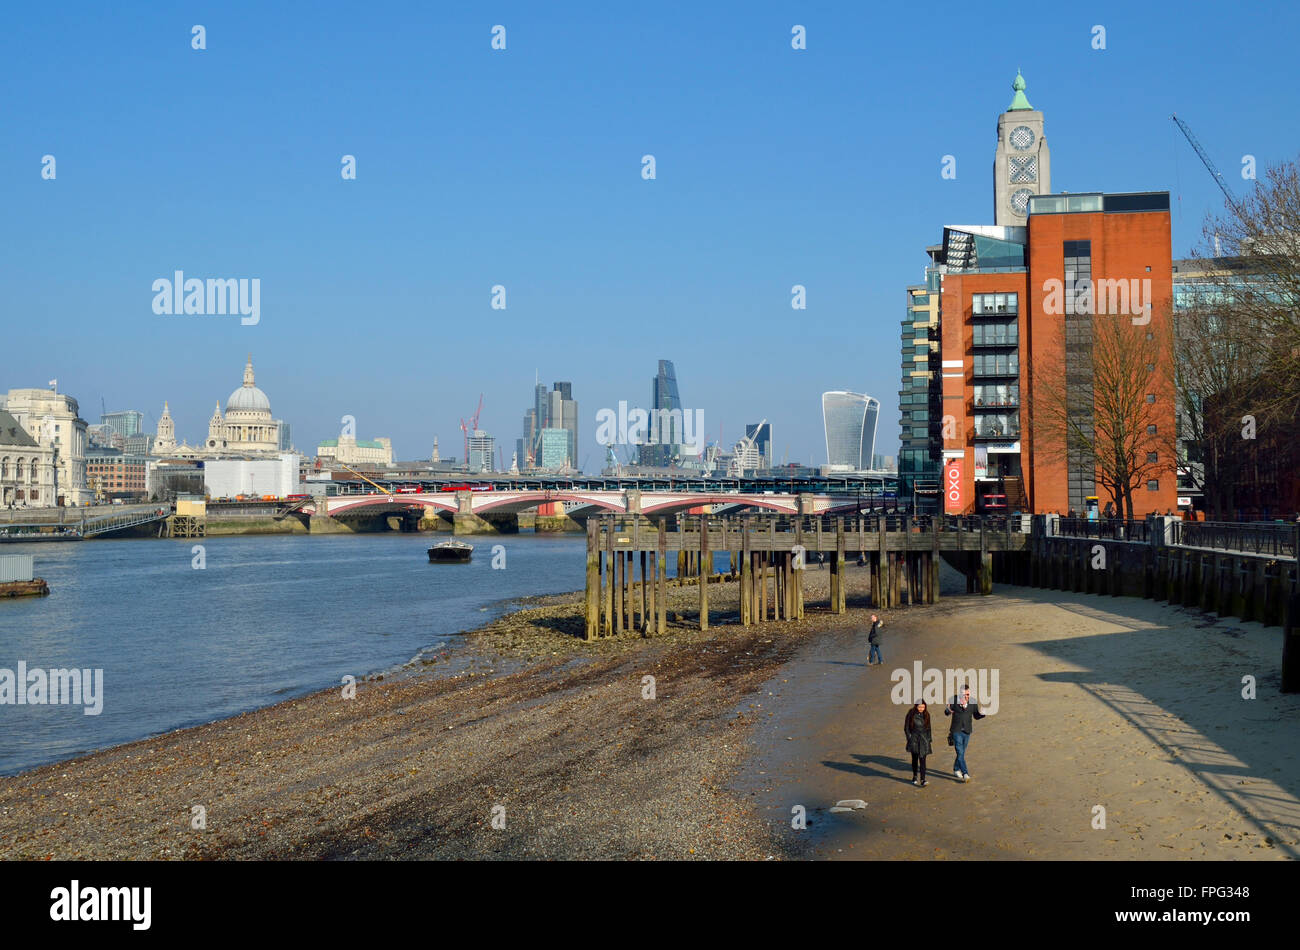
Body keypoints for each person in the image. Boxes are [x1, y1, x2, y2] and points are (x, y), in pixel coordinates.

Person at [944, 683, 986, 782]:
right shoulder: (953, 700)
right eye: (964, 695)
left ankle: (956, 768)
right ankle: (965, 773)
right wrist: (948, 710)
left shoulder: (973, 702)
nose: (966, 696)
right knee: (960, 751)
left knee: (961, 753)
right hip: (956, 730)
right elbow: (946, 713)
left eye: (968, 694)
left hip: (967, 731)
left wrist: (982, 714)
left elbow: (976, 716)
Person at [904, 700, 932, 786]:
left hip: (924, 740)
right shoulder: (911, 714)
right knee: (915, 759)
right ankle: (915, 776)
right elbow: (906, 728)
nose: (921, 709)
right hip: (914, 739)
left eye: (923, 707)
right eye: (920, 707)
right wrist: (910, 738)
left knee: (923, 760)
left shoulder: (927, 715)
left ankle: (923, 779)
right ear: (916, 706)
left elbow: (929, 728)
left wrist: (929, 739)